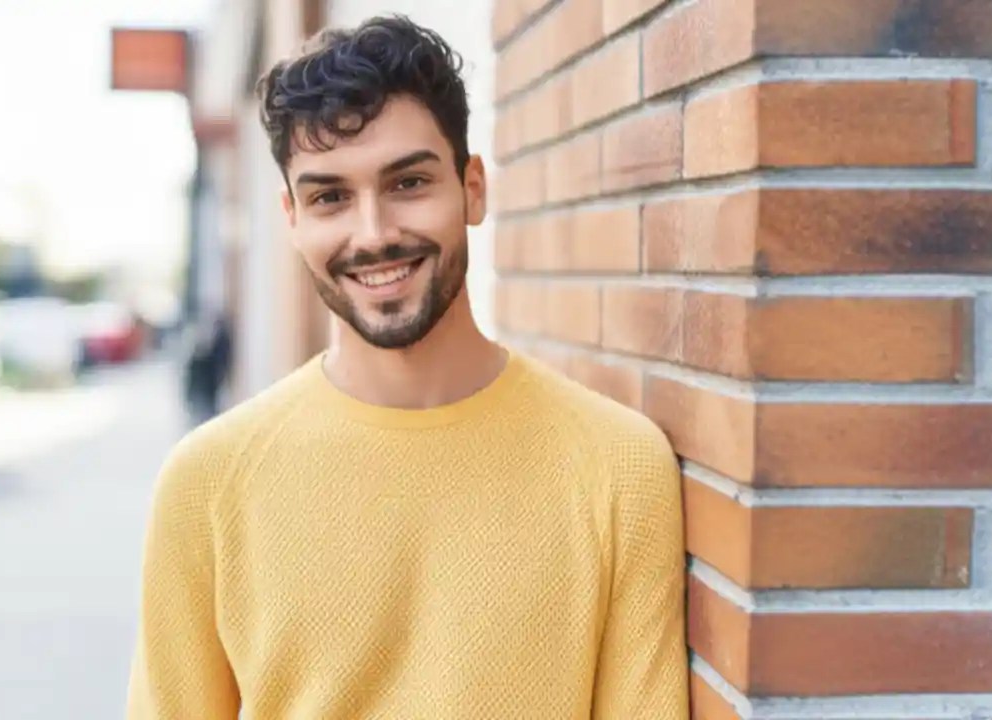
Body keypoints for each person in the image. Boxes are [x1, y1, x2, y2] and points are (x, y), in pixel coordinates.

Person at [127, 15, 688, 719]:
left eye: (409, 183)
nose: (374, 235)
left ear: (472, 188)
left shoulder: (619, 467)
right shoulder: (207, 481)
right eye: (330, 196)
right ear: (292, 217)